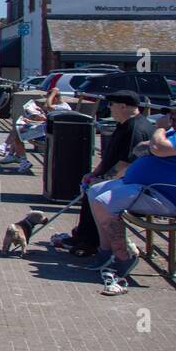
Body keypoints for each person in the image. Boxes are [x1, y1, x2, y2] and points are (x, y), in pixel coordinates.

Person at [88, 98, 176, 294]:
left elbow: (158, 147)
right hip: (144, 189)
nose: (173, 116)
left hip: (163, 197)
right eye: (170, 112)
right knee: (94, 191)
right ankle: (107, 251)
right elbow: (142, 148)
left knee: (104, 203)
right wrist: (156, 145)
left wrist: (159, 131)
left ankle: (123, 257)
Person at [51, 90, 154, 258]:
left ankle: (90, 242)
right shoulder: (123, 125)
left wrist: (103, 180)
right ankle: (84, 237)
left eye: (111, 104)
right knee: (91, 188)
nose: (109, 108)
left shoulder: (135, 129)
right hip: (118, 179)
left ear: (123, 106)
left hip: (132, 184)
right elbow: (110, 158)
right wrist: (94, 173)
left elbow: (125, 164)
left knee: (97, 193)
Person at [0, 89, 67, 173]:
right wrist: (32, 120)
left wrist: (53, 92)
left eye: (49, 99)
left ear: (54, 98)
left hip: (47, 133)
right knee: (18, 128)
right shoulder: (59, 107)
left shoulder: (63, 107)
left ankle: (14, 155)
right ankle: (10, 152)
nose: (48, 101)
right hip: (45, 130)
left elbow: (47, 107)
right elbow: (48, 120)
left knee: (18, 133)